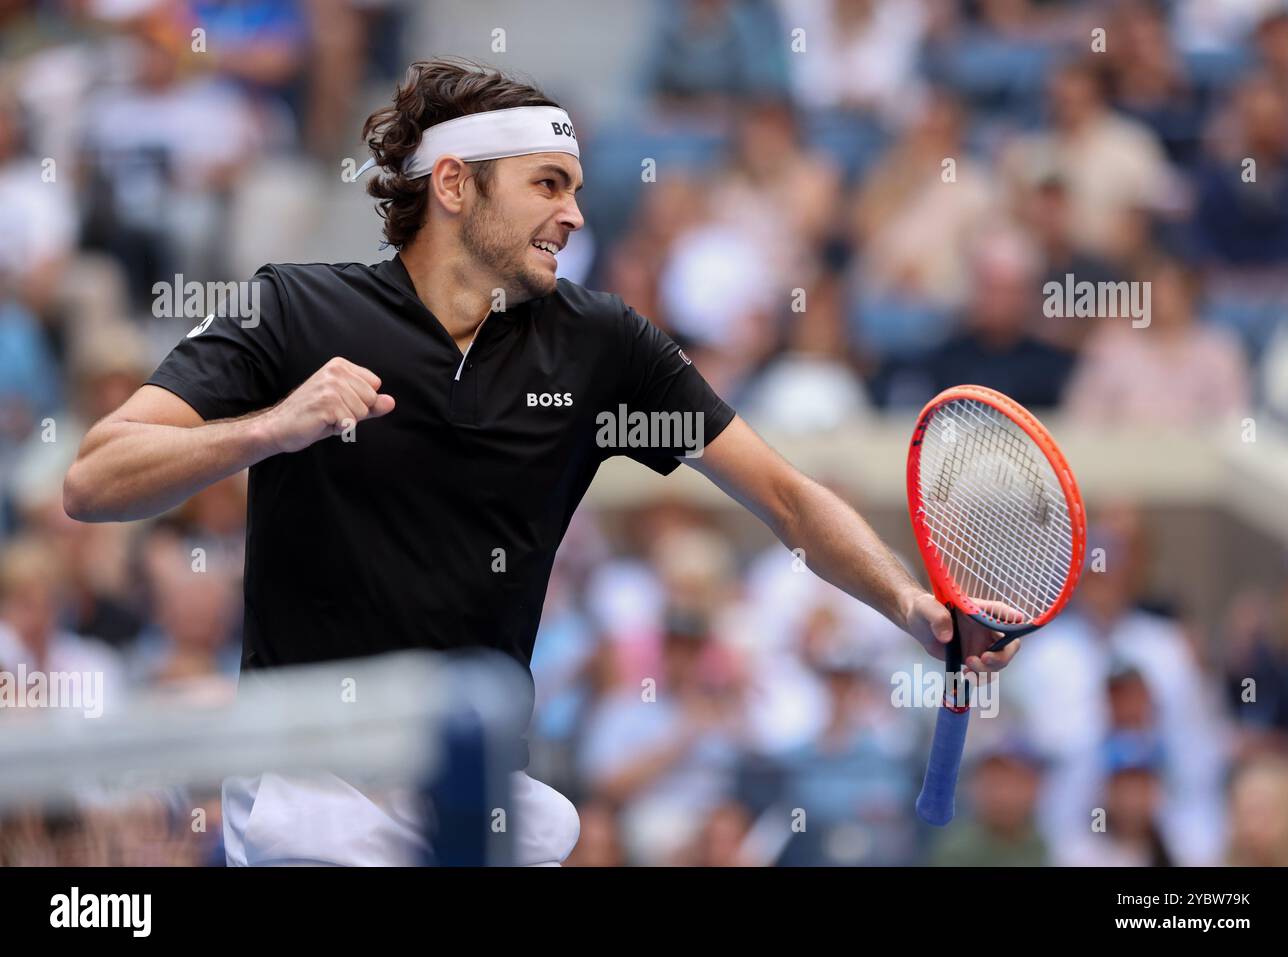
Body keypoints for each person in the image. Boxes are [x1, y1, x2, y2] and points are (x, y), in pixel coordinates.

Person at [62, 58, 1018, 866]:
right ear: (454, 186)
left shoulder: (601, 343)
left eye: (576, 184)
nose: (573, 212)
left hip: (480, 796)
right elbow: (95, 477)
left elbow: (788, 499)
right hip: (311, 789)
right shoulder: (296, 308)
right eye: (548, 183)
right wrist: (270, 427)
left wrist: (911, 607)